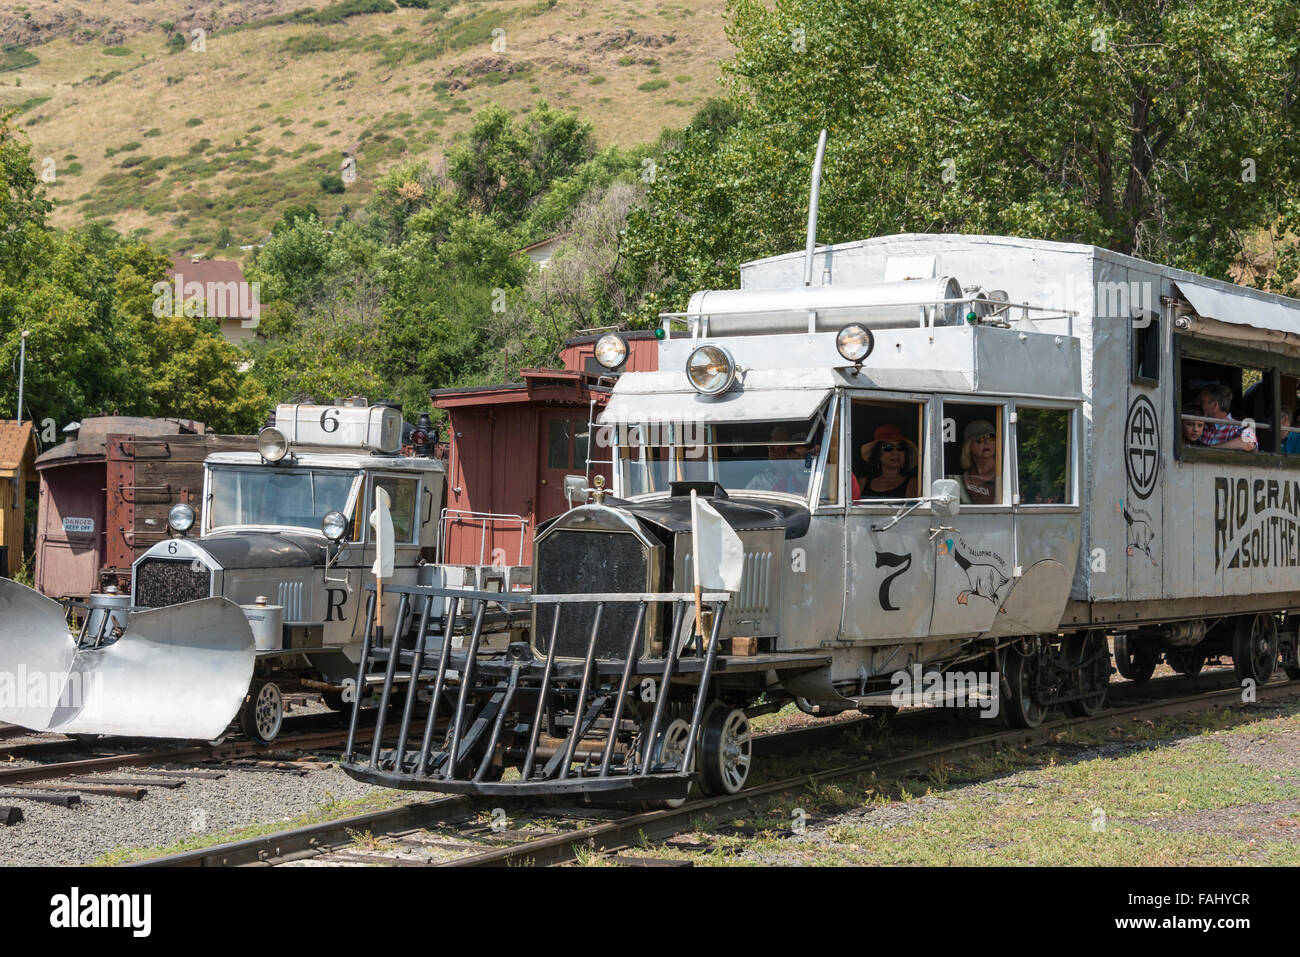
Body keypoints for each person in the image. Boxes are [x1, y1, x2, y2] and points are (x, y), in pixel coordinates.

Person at [857, 424, 919, 499]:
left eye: (900, 447)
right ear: (878, 454)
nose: (895, 452)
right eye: (888, 447)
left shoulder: (913, 484)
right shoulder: (862, 483)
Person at [948, 419, 999, 505]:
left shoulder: (1003, 474)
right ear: (968, 446)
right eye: (980, 438)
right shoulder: (962, 479)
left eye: (991, 437)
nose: (987, 442)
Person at [1197, 384, 1257, 451]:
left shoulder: (1239, 427)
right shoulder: (1198, 424)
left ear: (1214, 405)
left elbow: (1249, 443)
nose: (1198, 405)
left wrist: (1209, 449)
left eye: (1202, 402)